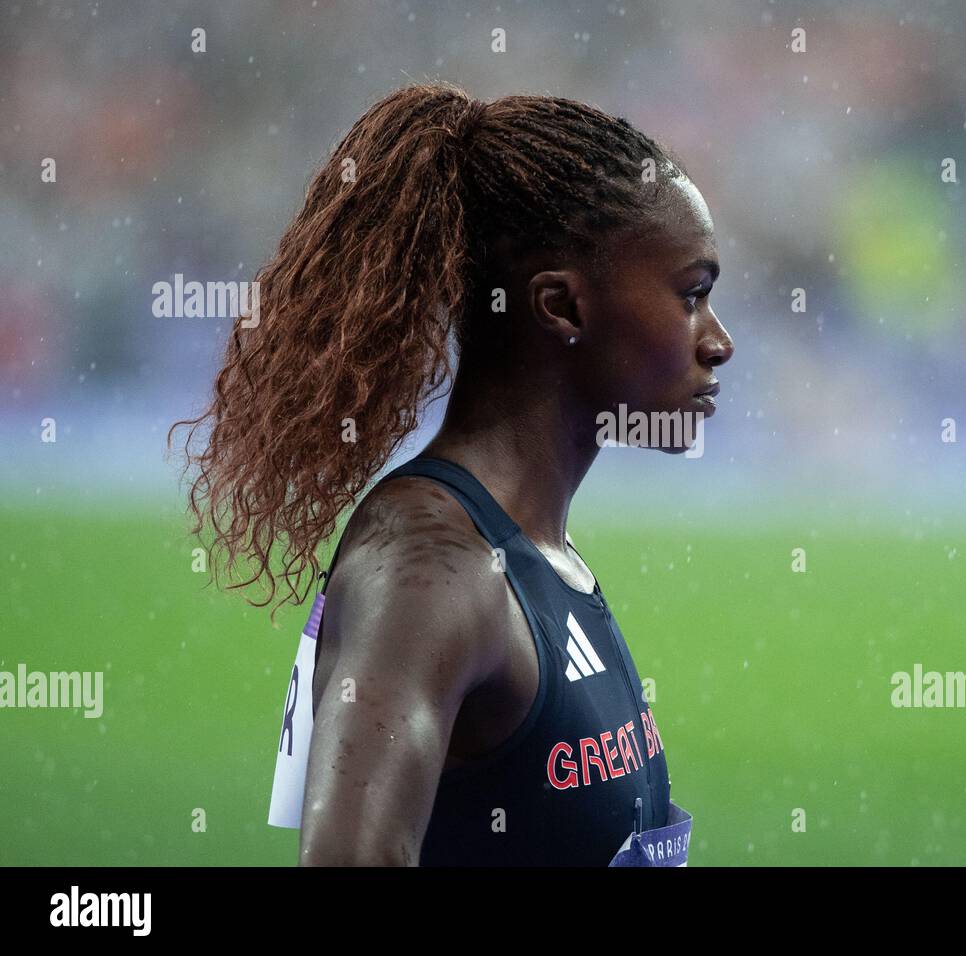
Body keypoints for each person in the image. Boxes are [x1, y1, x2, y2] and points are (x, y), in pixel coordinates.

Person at [172, 81, 733, 865]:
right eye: (694, 295)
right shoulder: (429, 566)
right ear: (562, 309)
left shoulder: (541, 559)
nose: (719, 342)